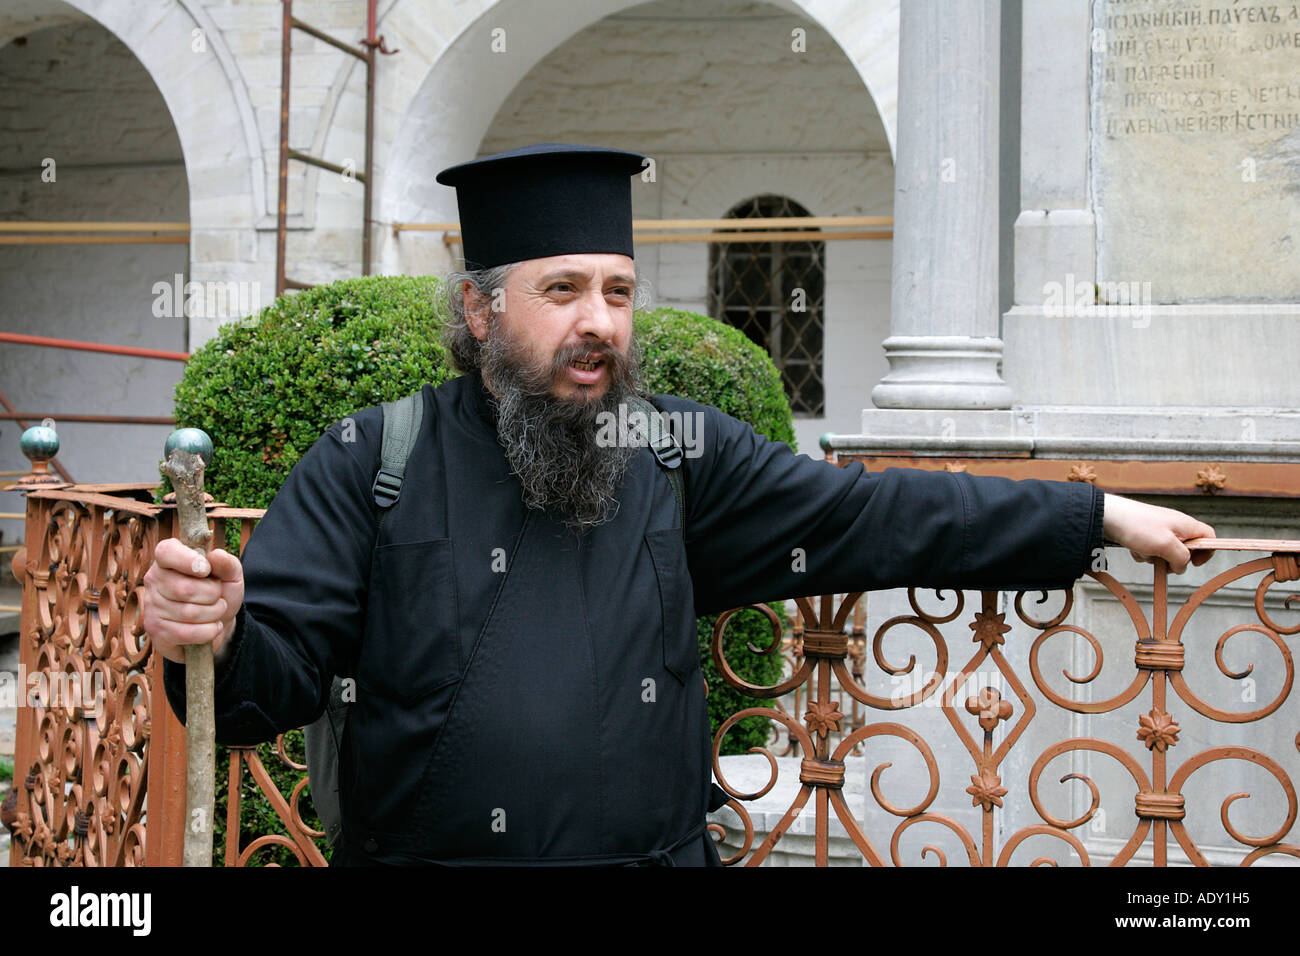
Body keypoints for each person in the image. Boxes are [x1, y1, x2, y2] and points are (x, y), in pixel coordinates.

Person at [145, 142, 1216, 866]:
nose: (599, 322)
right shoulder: (373, 458)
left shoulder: (671, 451)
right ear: (477, 309)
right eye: (561, 290)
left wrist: (1093, 516)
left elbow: (873, 514)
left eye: (616, 291)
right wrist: (219, 629)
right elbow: (259, 688)